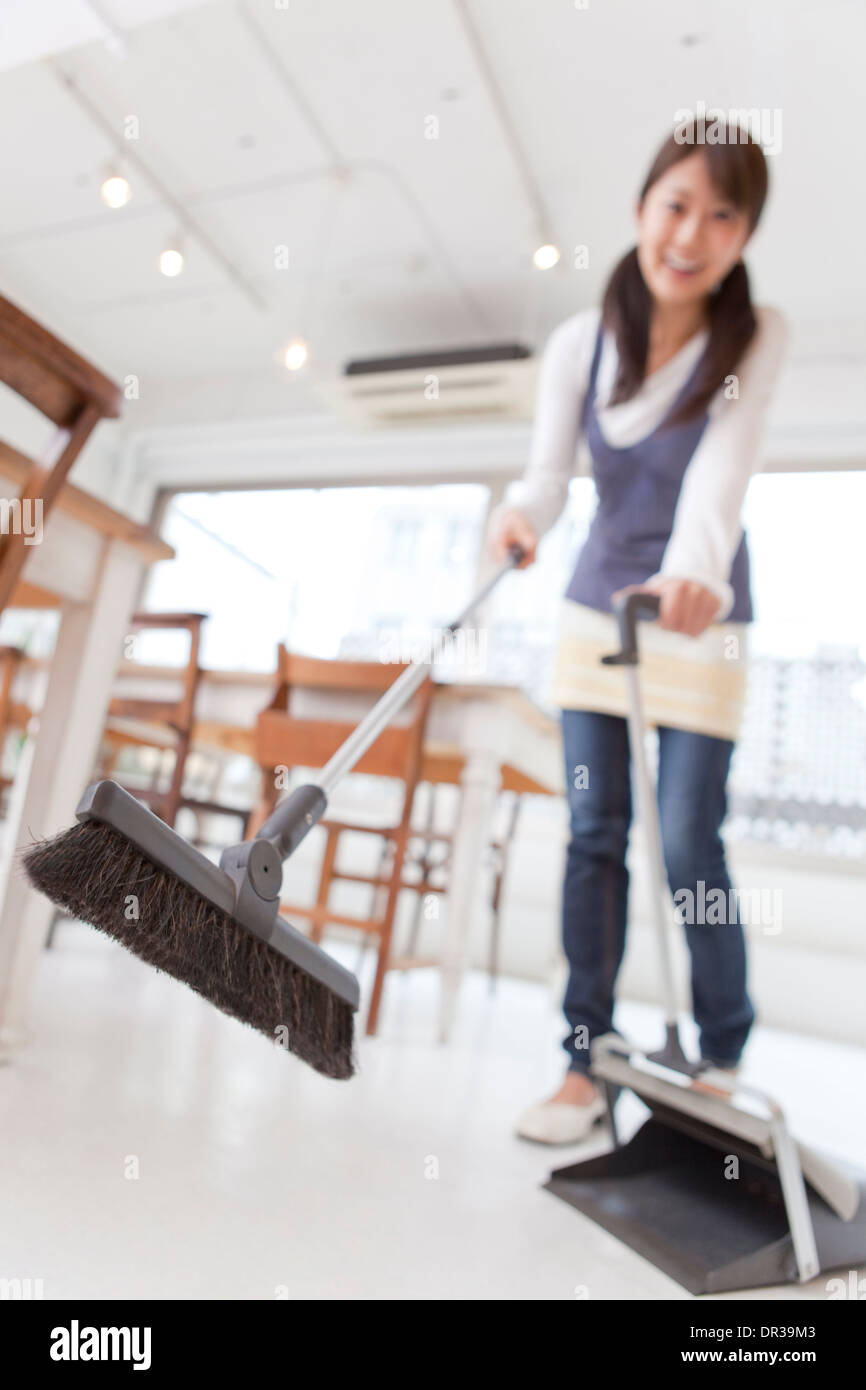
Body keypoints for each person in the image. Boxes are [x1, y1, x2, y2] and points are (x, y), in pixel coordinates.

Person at [488, 120, 789, 1145]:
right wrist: (519, 511)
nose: (690, 233)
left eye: (721, 214)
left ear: (742, 234)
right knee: (592, 835)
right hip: (592, 614)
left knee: (687, 840)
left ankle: (717, 1054)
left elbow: (722, 469)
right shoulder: (579, 341)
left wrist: (695, 571)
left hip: (698, 618)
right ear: (639, 208)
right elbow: (546, 471)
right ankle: (585, 1062)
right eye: (676, 204)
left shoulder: (753, 335)